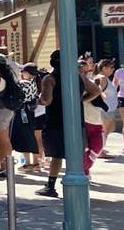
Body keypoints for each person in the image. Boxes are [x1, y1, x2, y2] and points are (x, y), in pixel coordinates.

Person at [37, 51, 101, 196]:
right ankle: (79, 184)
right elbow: (96, 91)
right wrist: (80, 101)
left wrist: (39, 100)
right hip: (76, 120)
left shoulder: (50, 78)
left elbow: (47, 100)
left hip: (56, 121)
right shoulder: (78, 77)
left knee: (57, 155)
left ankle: (51, 186)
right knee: (76, 154)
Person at [78, 55, 108, 172]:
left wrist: (95, 91)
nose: (85, 73)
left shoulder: (91, 83)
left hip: (95, 120)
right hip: (82, 121)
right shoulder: (72, 84)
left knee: (97, 147)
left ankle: (85, 169)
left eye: (87, 71)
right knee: (84, 149)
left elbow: (102, 97)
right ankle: (84, 170)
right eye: (82, 70)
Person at [12, 63, 42, 171]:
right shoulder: (34, 83)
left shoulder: (24, 83)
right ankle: (36, 163)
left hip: (22, 111)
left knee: (25, 136)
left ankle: (28, 164)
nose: (21, 73)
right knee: (31, 136)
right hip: (30, 112)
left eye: (23, 71)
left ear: (30, 74)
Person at [98, 57, 119, 157]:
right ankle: (100, 151)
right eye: (111, 67)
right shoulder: (101, 78)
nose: (113, 69)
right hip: (105, 109)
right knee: (104, 131)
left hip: (110, 109)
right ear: (104, 68)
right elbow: (98, 91)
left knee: (109, 129)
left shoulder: (105, 78)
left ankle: (101, 149)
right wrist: (102, 96)